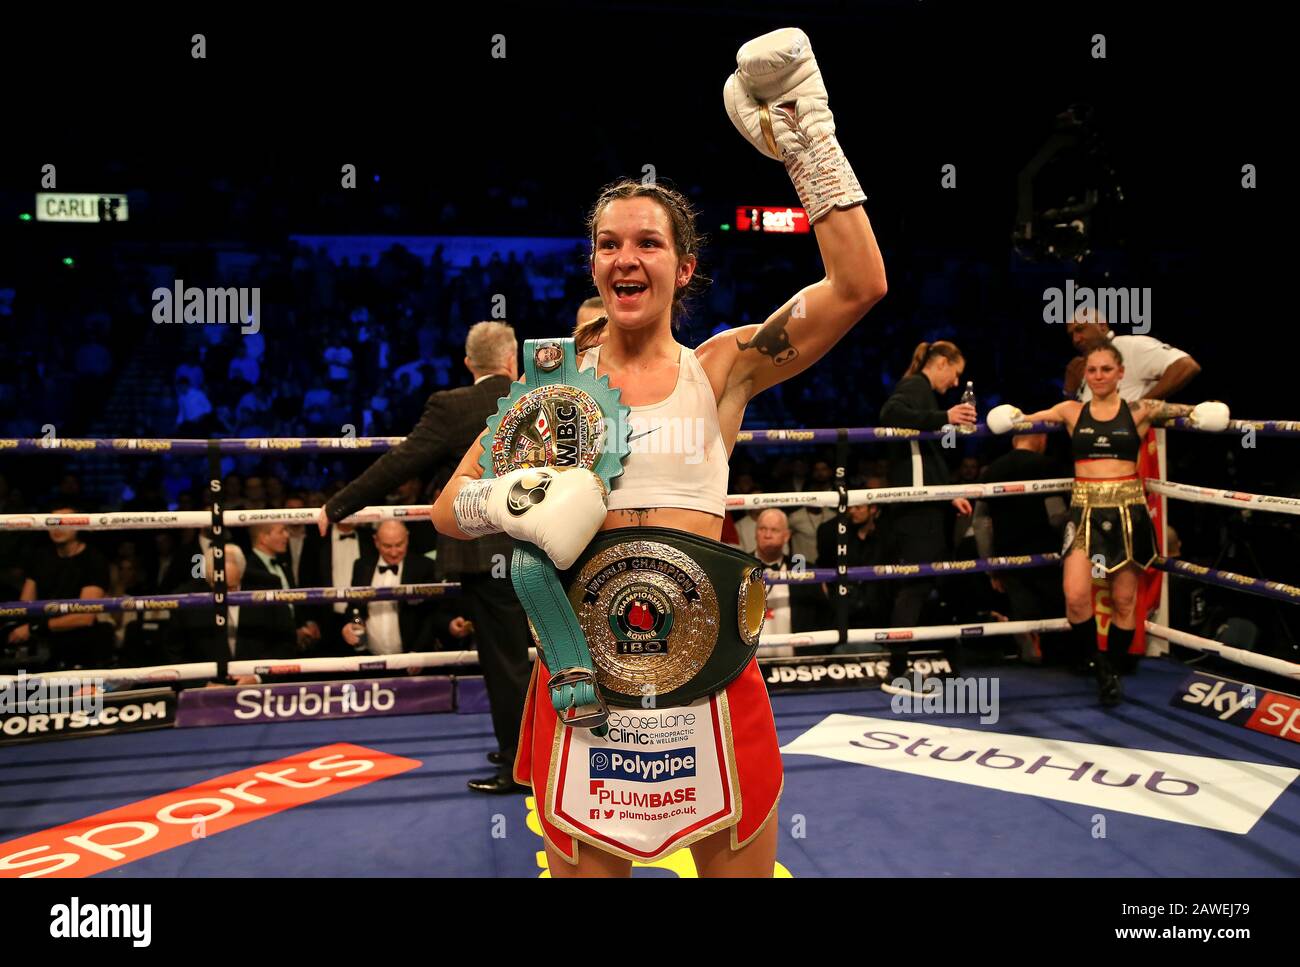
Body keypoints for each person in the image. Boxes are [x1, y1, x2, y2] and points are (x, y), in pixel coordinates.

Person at [432, 28, 886, 877]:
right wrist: (514, 500)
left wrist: (808, 138)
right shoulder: (550, 390)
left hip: (709, 676)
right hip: (584, 674)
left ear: (684, 267)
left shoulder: (722, 368)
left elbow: (858, 286)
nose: (625, 257)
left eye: (647, 243)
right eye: (609, 243)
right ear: (594, 265)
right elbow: (447, 507)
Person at [323, 321, 534, 794]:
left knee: (505, 661)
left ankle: (522, 764)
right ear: (511, 361)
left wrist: (339, 505)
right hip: (538, 542)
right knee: (524, 656)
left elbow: (398, 463)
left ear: (468, 364)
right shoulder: (536, 397)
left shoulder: (452, 407)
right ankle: (519, 751)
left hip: (484, 550)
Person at [989, 342, 1229, 704]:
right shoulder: (1070, 410)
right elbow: (1024, 420)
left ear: (1120, 374)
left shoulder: (1141, 410)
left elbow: (1192, 413)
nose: (1098, 376)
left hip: (1127, 507)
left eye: (1105, 369)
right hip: (1084, 508)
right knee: (1074, 596)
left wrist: (1206, 413)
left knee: (1123, 599)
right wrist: (1009, 415)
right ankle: (1099, 664)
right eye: (1092, 370)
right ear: (1085, 375)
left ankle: (1111, 672)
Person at [878, 340, 976, 683]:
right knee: (915, 584)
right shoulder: (915, 385)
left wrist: (948, 493)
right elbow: (890, 414)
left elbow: (925, 453)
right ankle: (896, 667)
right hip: (915, 506)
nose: (954, 383)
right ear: (942, 363)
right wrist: (945, 417)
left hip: (927, 500)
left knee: (922, 581)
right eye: (956, 374)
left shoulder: (922, 390)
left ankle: (907, 660)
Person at [973, 433, 1069, 663]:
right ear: (1040, 438)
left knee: (1023, 615)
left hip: (1009, 557)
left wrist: (990, 565)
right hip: (1047, 556)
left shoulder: (992, 470)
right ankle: (1059, 661)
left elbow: (981, 523)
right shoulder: (1048, 465)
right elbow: (1056, 517)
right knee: (1056, 616)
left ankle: (1031, 661)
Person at [340, 521, 468, 654]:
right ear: (376, 541)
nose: (394, 552)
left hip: (412, 658)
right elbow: (353, 606)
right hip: (370, 657)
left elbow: (431, 613)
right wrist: (348, 625)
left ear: (407, 538)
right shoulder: (362, 566)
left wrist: (418, 651)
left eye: (399, 545)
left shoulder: (424, 567)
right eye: (387, 546)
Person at [7, 510, 111, 671]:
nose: (57, 528)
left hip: (79, 647)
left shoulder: (93, 560)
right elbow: (25, 605)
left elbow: (84, 617)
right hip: (44, 646)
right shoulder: (41, 556)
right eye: (52, 522)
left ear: (78, 526)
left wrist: (34, 628)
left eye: (64, 522)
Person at [1063, 307, 1201, 402]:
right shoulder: (1082, 364)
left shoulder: (1130, 346)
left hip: (1135, 440)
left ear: (1102, 326)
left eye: (1080, 329)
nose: (1076, 339)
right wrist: (1069, 391)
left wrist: (1141, 405)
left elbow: (1186, 365)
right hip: (1093, 441)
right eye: (1071, 335)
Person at [751, 509, 821, 656]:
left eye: (774, 530)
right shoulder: (740, 567)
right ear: (755, 533)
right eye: (762, 529)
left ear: (786, 536)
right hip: (750, 663)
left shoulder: (800, 565)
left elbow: (817, 614)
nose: (767, 535)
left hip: (795, 659)